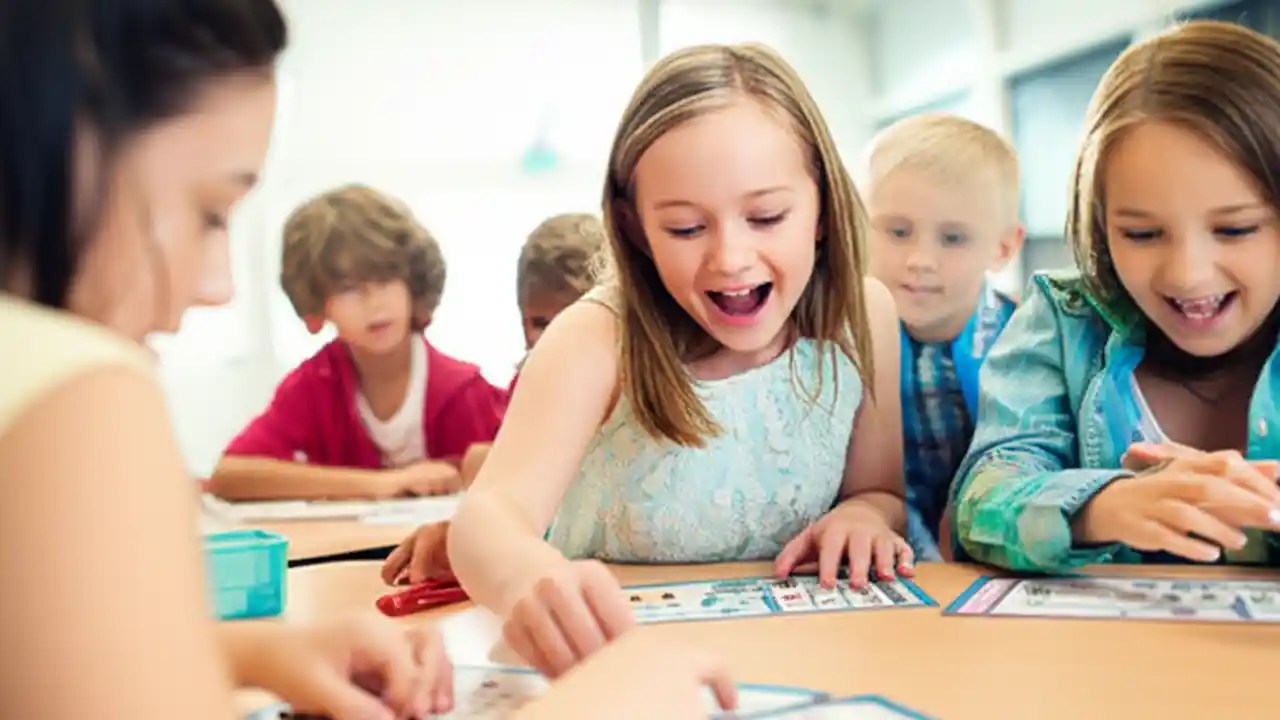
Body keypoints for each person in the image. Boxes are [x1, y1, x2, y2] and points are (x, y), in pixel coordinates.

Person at [0, 2, 736, 717]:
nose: (217, 286)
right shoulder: (72, 393)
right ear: (67, 142)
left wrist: (244, 656)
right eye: (211, 212)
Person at [447, 42, 912, 680]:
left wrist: (864, 516)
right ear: (635, 228)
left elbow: (879, 491)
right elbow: (488, 518)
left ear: (824, 210)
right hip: (618, 668)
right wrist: (528, 579)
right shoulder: (596, 337)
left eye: (767, 216)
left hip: (808, 663)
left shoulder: (864, 316)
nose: (730, 257)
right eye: (687, 229)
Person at [949, 20, 1280, 572]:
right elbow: (982, 498)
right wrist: (1098, 506)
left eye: (1236, 229)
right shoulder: (1063, 321)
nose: (1189, 274)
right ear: (1100, 226)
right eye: (1143, 234)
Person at [210, 185, 506, 501]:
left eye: (386, 279)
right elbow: (230, 475)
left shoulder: (464, 392)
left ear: (413, 282)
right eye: (348, 288)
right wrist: (382, 483)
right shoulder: (314, 386)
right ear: (316, 305)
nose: (373, 302)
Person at [863, 113, 1023, 560]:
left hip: (1000, 542)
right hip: (892, 541)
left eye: (952, 238)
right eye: (897, 231)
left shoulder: (1025, 339)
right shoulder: (849, 340)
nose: (920, 259)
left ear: (1003, 247)